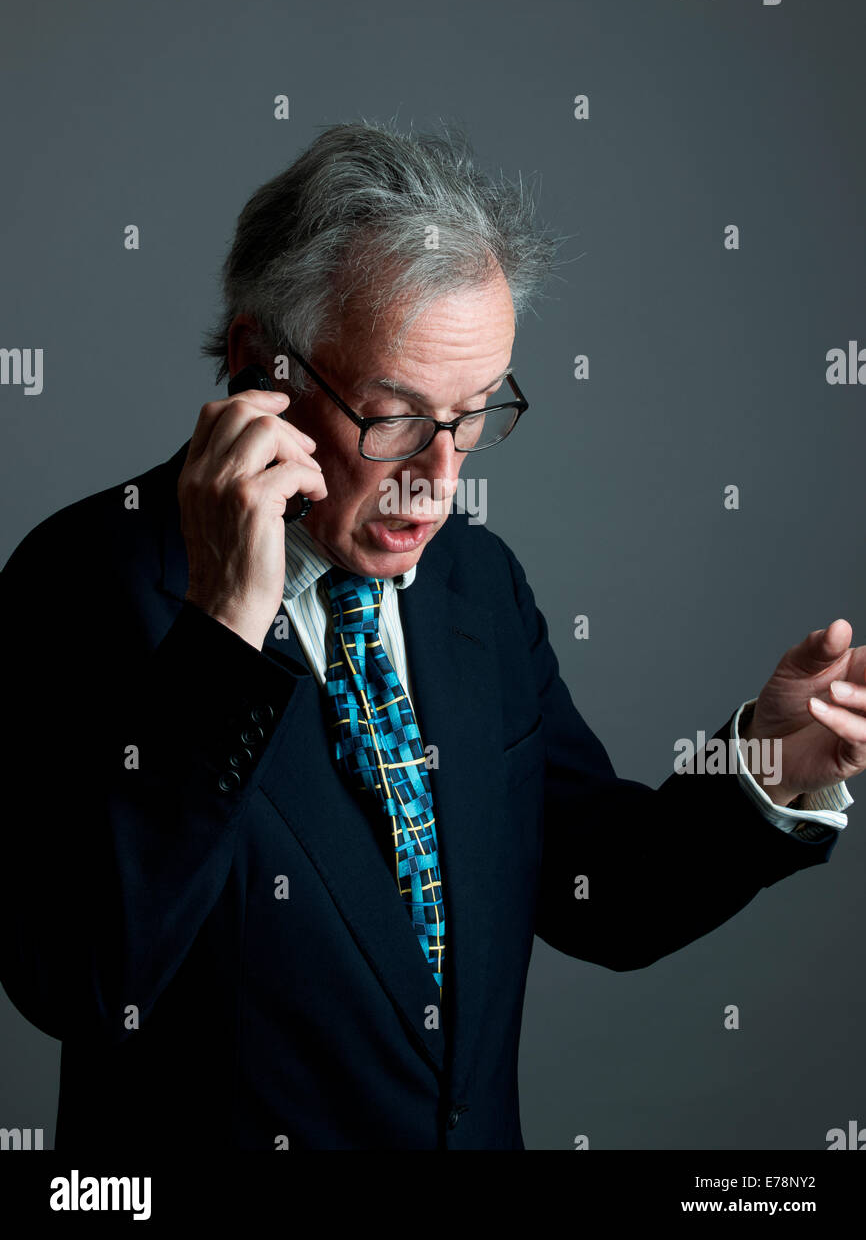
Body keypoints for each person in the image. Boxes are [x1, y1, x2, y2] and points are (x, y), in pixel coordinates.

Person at [1, 121, 862, 1151]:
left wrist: (766, 763)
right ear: (253, 362)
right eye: (393, 416)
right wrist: (222, 632)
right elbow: (84, 981)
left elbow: (599, 893)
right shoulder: (85, 579)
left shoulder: (475, 585)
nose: (438, 479)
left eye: (473, 415)